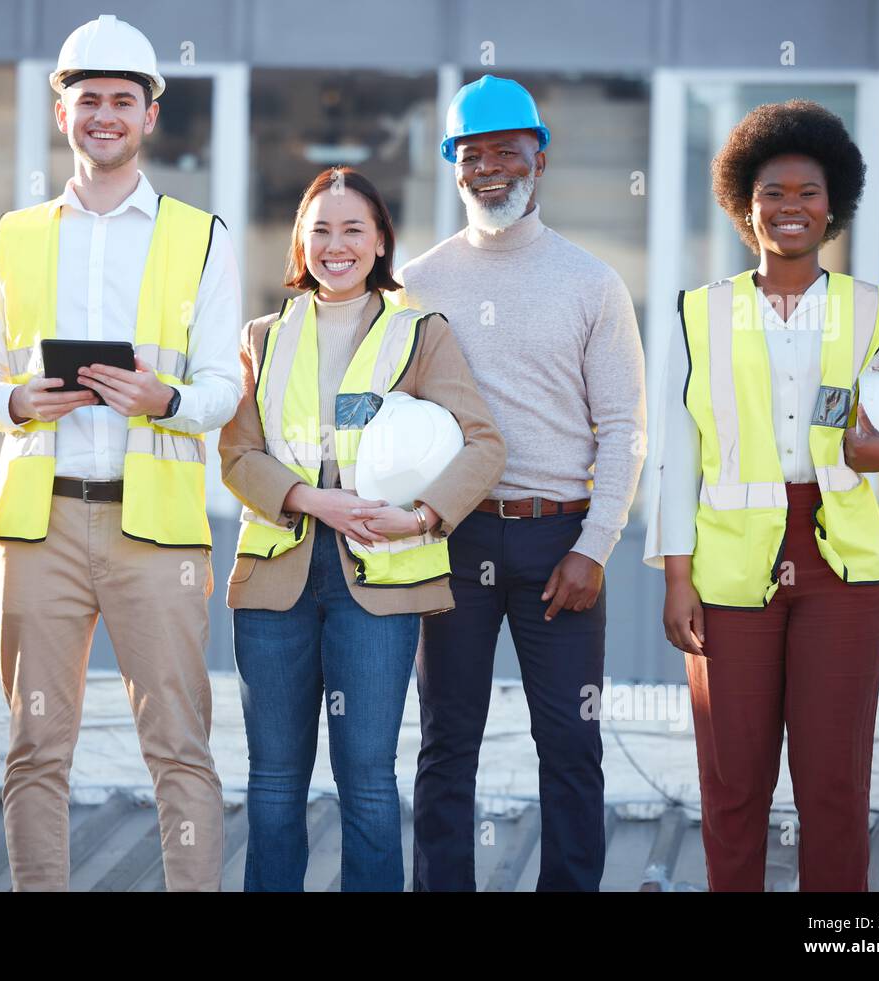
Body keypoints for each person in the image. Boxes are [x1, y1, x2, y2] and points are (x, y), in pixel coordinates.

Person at [643, 99, 879, 892]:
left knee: (832, 782)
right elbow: (676, 452)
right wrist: (678, 576)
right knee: (733, 782)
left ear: (835, 207)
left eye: (808, 193)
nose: (790, 208)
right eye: (773, 192)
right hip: (727, 571)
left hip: (846, 573)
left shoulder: (875, 311)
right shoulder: (698, 313)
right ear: (743, 204)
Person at [0, 15, 241, 891]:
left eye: (124, 100)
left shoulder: (202, 237)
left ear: (151, 114)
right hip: (39, 527)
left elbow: (222, 388)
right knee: (34, 747)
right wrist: (14, 401)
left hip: (153, 532)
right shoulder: (12, 236)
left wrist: (167, 401)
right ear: (63, 113)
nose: (105, 116)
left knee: (179, 749)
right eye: (89, 99)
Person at [219, 166, 505, 891]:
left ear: (381, 242)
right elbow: (236, 454)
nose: (335, 245)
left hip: (378, 583)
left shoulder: (420, 333)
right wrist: (316, 502)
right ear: (299, 242)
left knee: (369, 781)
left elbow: (484, 445)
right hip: (276, 579)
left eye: (354, 229)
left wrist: (421, 516)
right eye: (320, 230)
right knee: (274, 782)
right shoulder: (261, 335)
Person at [397, 75, 647, 891]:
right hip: (456, 537)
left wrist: (596, 545)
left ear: (540, 156)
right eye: (473, 154)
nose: (491, 167)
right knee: (446, 742)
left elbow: (623, 430)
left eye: (508, 149)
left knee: (572, 746)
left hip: (561, 543)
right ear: (454, 167)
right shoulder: (417, 283)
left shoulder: (592, 283)